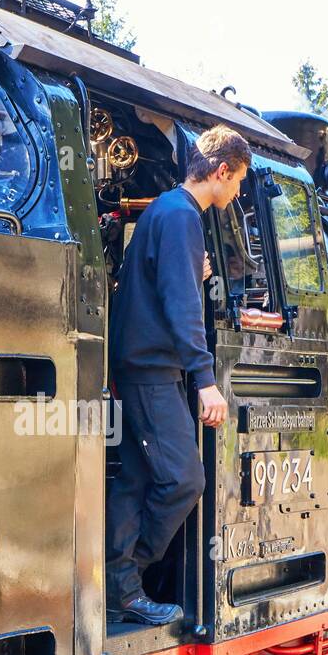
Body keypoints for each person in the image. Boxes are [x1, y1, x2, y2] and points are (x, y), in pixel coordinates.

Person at [105, 125, 250, 628]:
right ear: (221, 170)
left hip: (139, 364)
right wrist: (205, 379)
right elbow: (181, 304)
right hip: (151, 369)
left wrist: (197, 271)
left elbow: (160, 281)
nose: (235, 195)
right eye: (237, 183)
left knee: (138, 477)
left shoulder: (165, 210)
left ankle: (118, 581)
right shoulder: (183, 217)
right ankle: (123, 581)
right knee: (186, 480)